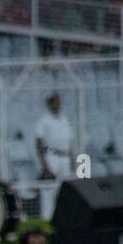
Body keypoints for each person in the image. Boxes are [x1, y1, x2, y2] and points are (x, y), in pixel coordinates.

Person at [34, 92, 73, 220]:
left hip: (64, 156)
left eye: (59, 102)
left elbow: (68, 140)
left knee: (65, 189)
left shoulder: (64, 119)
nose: (58, 105)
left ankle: (65, 217)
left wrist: (71, 158)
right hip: (51, 156)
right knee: (48, 191)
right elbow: (39, 142)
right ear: (49, 104)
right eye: (55, 102)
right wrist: (45, 165)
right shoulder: (44, 120)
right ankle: (47, 218)